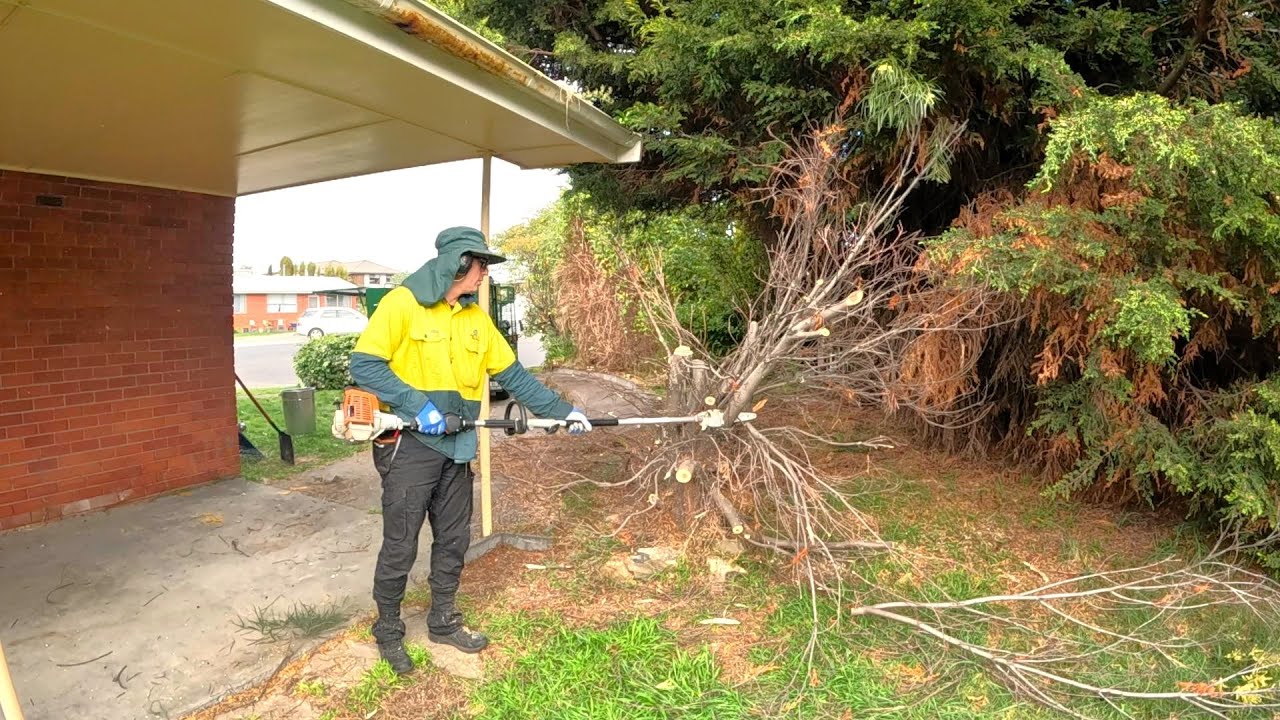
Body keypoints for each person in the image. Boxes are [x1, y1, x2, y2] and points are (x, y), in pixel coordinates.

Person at [350, 226, 591, 673]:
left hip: (457, 446)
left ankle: (443, 618)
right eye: (481, 265)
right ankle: (387, 630)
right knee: (401, 544)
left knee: (454, 539)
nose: (484, 275)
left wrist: (563, 410)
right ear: (459, 263)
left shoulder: (475, 318)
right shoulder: (401, 305)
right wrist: (416, 405)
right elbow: (364, 364)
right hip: (410, 445)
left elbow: (514, 376)